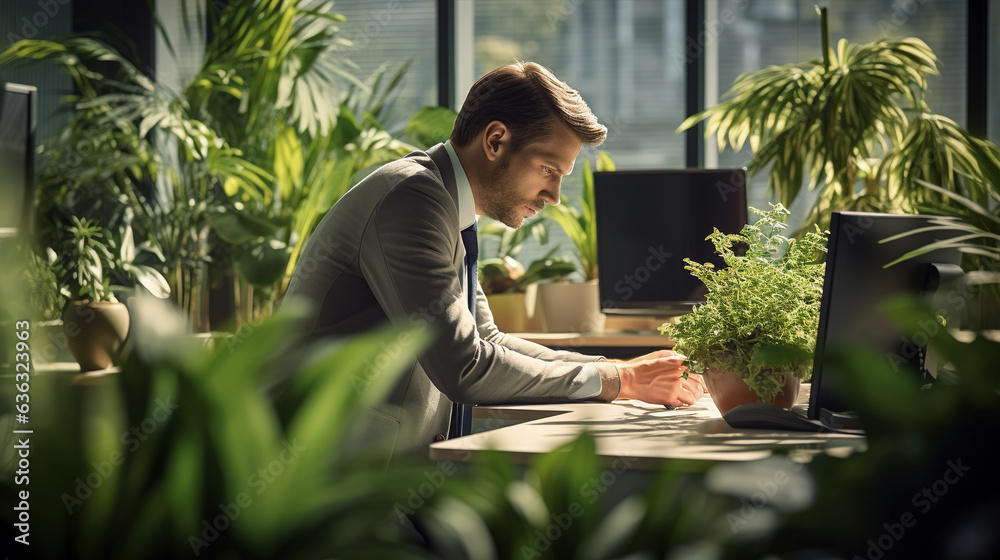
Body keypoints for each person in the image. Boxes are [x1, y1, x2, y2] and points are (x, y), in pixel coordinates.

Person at [284, 61, 705, 468]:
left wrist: (611, 370)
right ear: (496, 140)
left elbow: (489, 340)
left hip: (373, 475)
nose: (555, 196)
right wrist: (617, 382)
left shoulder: (444, 203)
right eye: (547, 169)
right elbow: (463, 366)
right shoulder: (412, 200)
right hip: (321, 487)